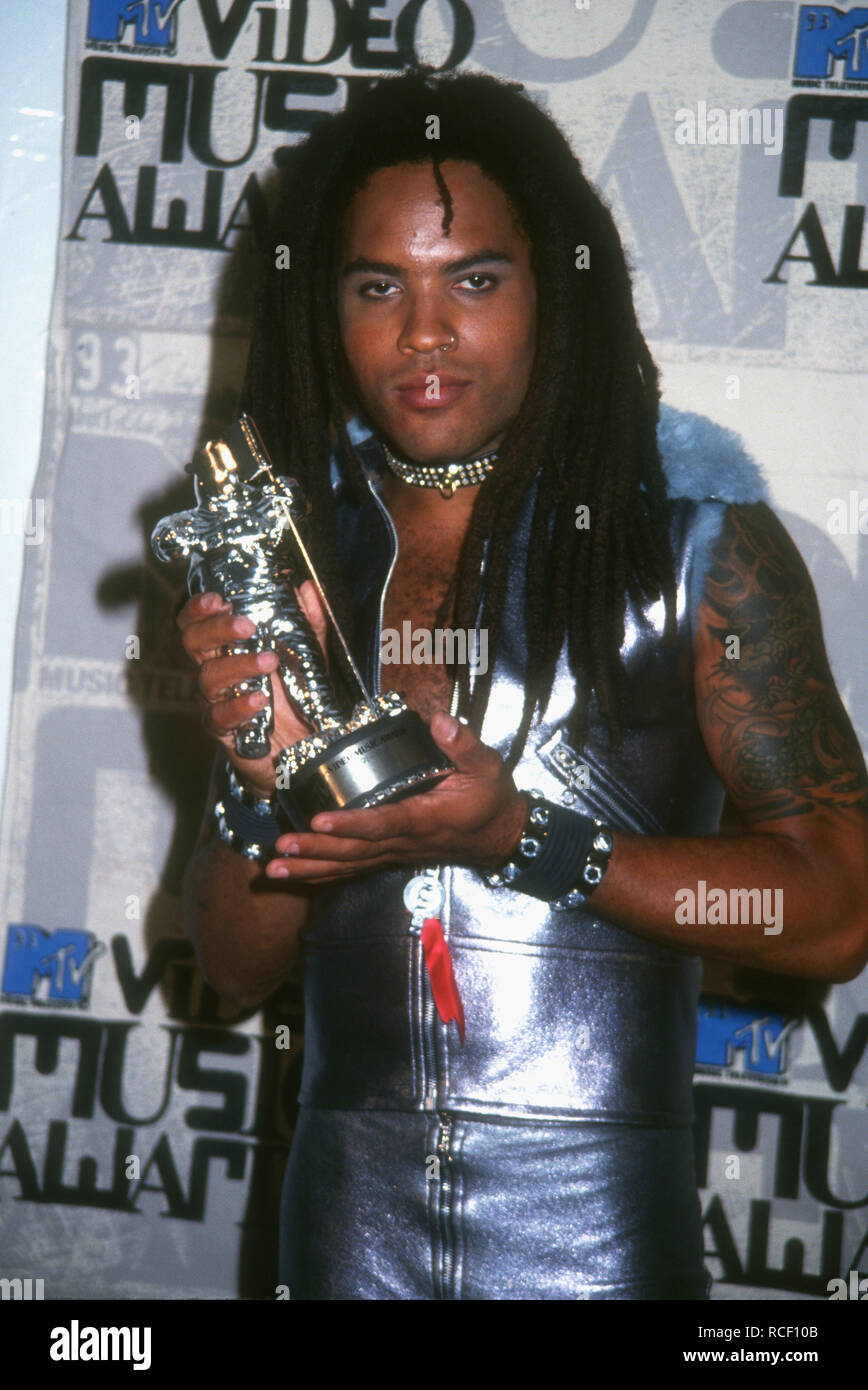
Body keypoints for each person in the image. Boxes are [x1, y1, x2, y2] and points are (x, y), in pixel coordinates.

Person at [176, 70, 868, 1300]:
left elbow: (831, 915)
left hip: (595, 1245)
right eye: (378, 285)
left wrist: (523, 838)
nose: (423, 333)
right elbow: (233, 969)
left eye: (474, 280)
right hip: (343, 1232)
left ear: (556, 290)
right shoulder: (296, 567)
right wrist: (259, 787)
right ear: (329, 312)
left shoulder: (697, 547)